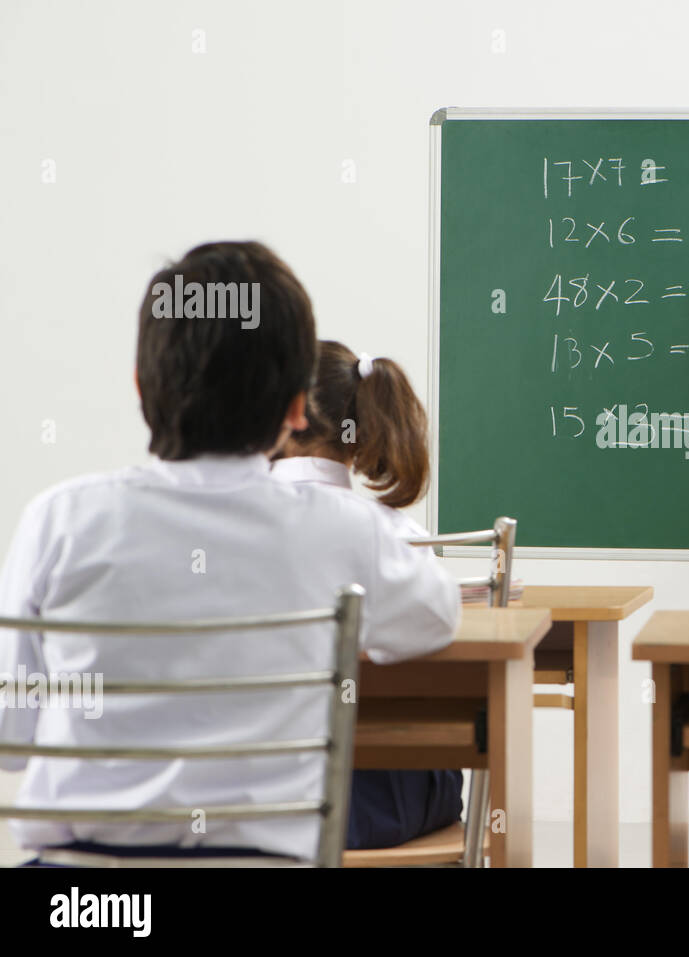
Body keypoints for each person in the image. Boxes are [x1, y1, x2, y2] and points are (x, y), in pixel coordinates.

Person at [0, 241, 461, 862]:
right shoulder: (343, 530)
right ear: (296, 408)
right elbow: (436, 617)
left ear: (141, 388)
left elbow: (13, 734)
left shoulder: (59, 520)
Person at [272, 340, 463, 849]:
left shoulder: (215, 530)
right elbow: (440, 625)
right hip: (376, 807)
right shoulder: (396, 537)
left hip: (245, 803)